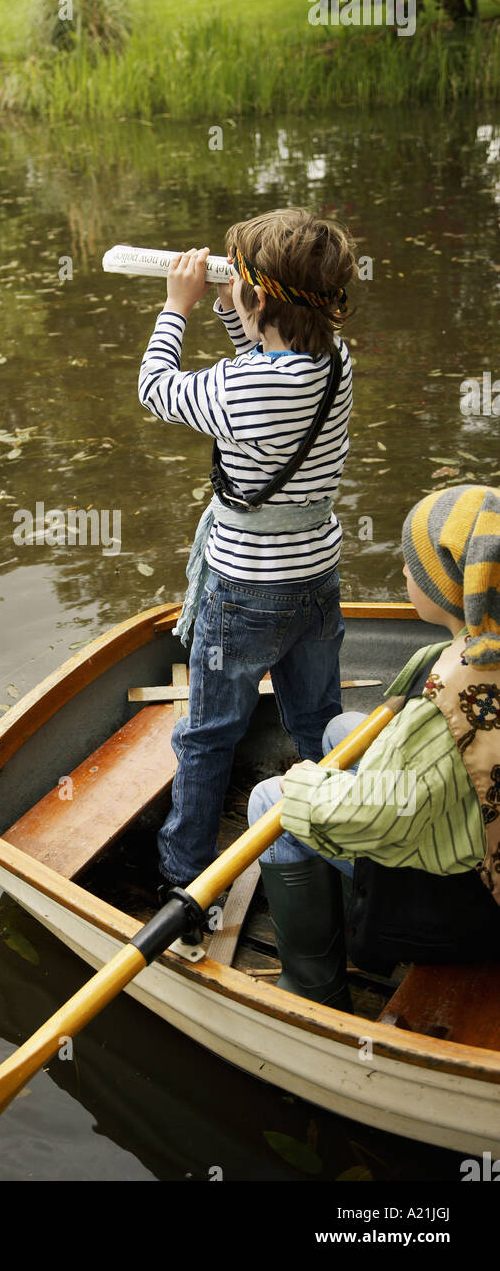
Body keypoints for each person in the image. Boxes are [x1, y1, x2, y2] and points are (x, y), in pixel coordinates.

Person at [137, 207, 356, 901]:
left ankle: (183, 871)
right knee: (319, 723)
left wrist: (178, 308)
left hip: (244, 593)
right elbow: (263, 355)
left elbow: (154, 387)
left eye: (241, 292)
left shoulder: (241, 390)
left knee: (208, 735)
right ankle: (344, 838)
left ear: (257, 297)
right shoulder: (333, 363)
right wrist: (236, 308)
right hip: (315, 577)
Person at [248, 484, 500, 1011]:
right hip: (481, 837)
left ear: (452, 585)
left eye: (414, 565)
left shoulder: (447, 699)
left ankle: (312, 988)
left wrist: (305, 786)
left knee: (271, 800)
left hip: (466, 909)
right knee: (342, 729)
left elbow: (378, 817)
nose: (404, 574)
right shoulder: (481, 651)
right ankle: (341, 897)